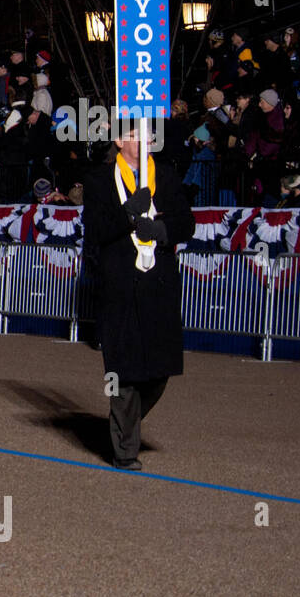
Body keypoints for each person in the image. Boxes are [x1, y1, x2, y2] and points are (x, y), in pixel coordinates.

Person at [83, 128, 194, 471]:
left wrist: (162, 230)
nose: (143, 139)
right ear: (118, 140)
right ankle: (125, 450)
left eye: (146, 133)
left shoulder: (166, 174)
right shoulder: (100, 180)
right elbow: (96, 230)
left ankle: (125, 423)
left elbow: (186, 222)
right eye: (134, 134)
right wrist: (128, 212)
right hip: (119, 286)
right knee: (124, 370)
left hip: (157, 285)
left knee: (160, 370)